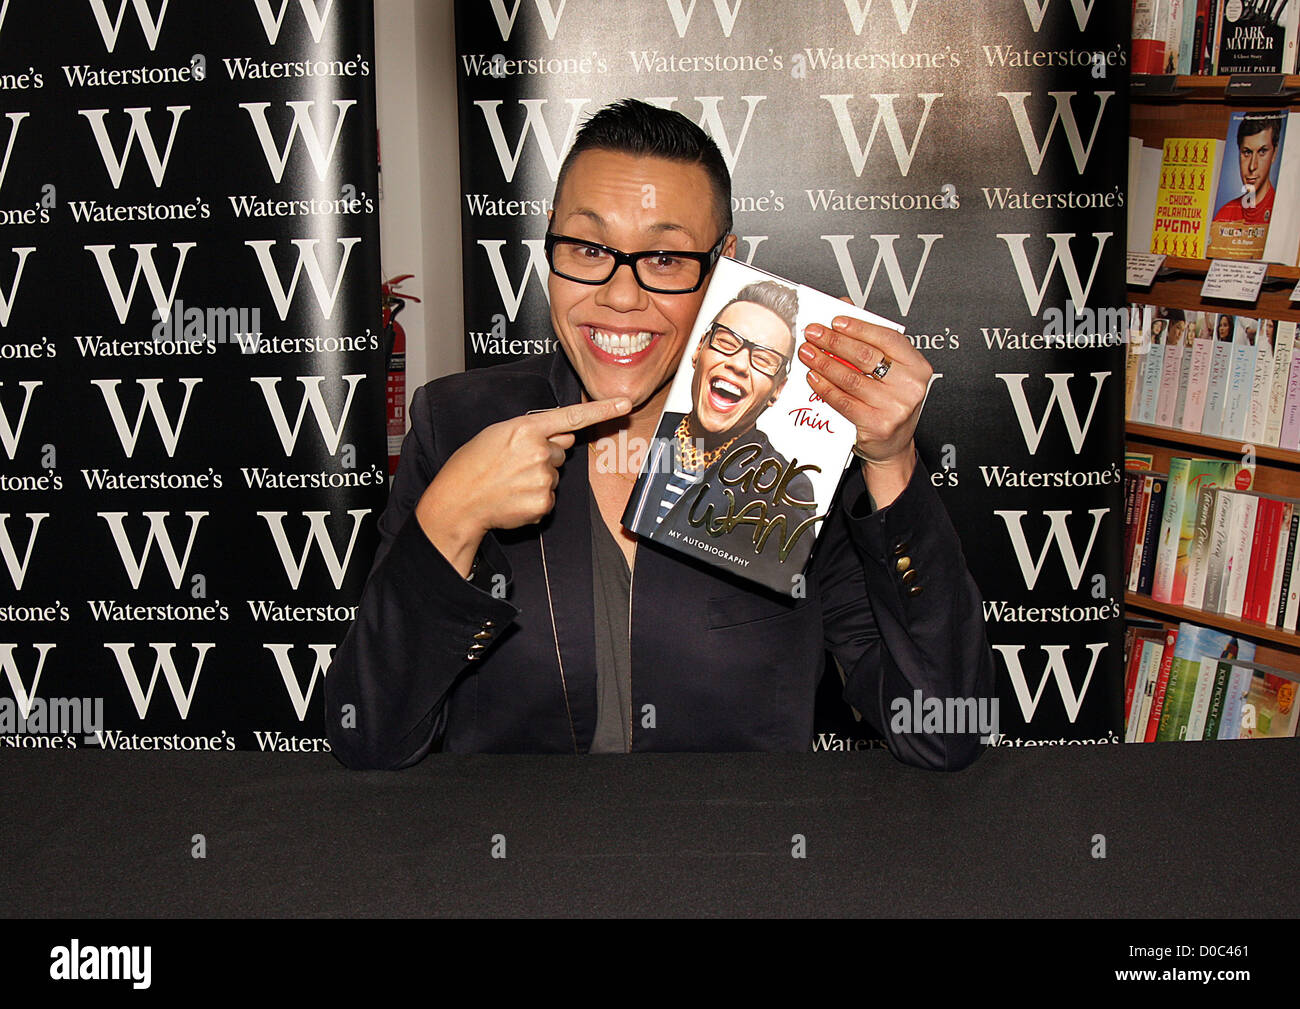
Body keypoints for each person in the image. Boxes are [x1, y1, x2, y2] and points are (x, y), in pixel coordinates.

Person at [324, 99, 994, 767]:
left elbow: (941, 732)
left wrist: (892, 463)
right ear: (549, 243)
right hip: (520, 864)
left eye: (667, 258)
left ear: (724, 266)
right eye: (589, 248)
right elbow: (371, 737)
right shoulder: (457, 424)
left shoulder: (796, 455)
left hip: (735, 864)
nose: (621, 295)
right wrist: (451, 520)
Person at [624, 279, 821, 588]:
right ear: (699, 349)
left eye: (764, 360)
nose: (739, 365)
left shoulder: (785, 488)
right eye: (727, 342)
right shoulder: (640, 434)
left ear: (777, 390)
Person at [1213, 114, 1283, 225]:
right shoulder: (1224, 214)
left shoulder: (1282, 211)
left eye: (1262, 152)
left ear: (1274, 153)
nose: (1252, 166)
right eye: (1247, 152)